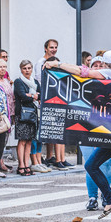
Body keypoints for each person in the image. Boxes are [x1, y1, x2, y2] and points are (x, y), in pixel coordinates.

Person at [48, 52, 111, 222]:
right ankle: (110, 201)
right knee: (91, 165)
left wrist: (57, 65)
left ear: (105, 64)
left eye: (100, 65)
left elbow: (83, 72)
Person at [38, 39, 70, 168]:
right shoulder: (41, 62)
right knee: (53, 131)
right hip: (48, 99)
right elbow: (40, 80)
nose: (54, 49)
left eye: (55, 47)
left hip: (58, 99)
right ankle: (53, 158)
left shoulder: (56, 61)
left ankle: (59, 158)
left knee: (59, 131)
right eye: (51, 47)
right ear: (45, 48)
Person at [13, 61, 41, 175]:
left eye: (29, 68)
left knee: (29, 140)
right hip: (22, 113)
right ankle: (21, 165)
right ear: (21, 69)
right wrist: (31, 96)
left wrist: (32, 96)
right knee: (22, 140)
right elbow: (22, 96)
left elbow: (40, 95)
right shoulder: (18, 81)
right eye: (24, 68)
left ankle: (27, 164)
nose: (27, 70)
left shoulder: (35, 82)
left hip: (33, 113)